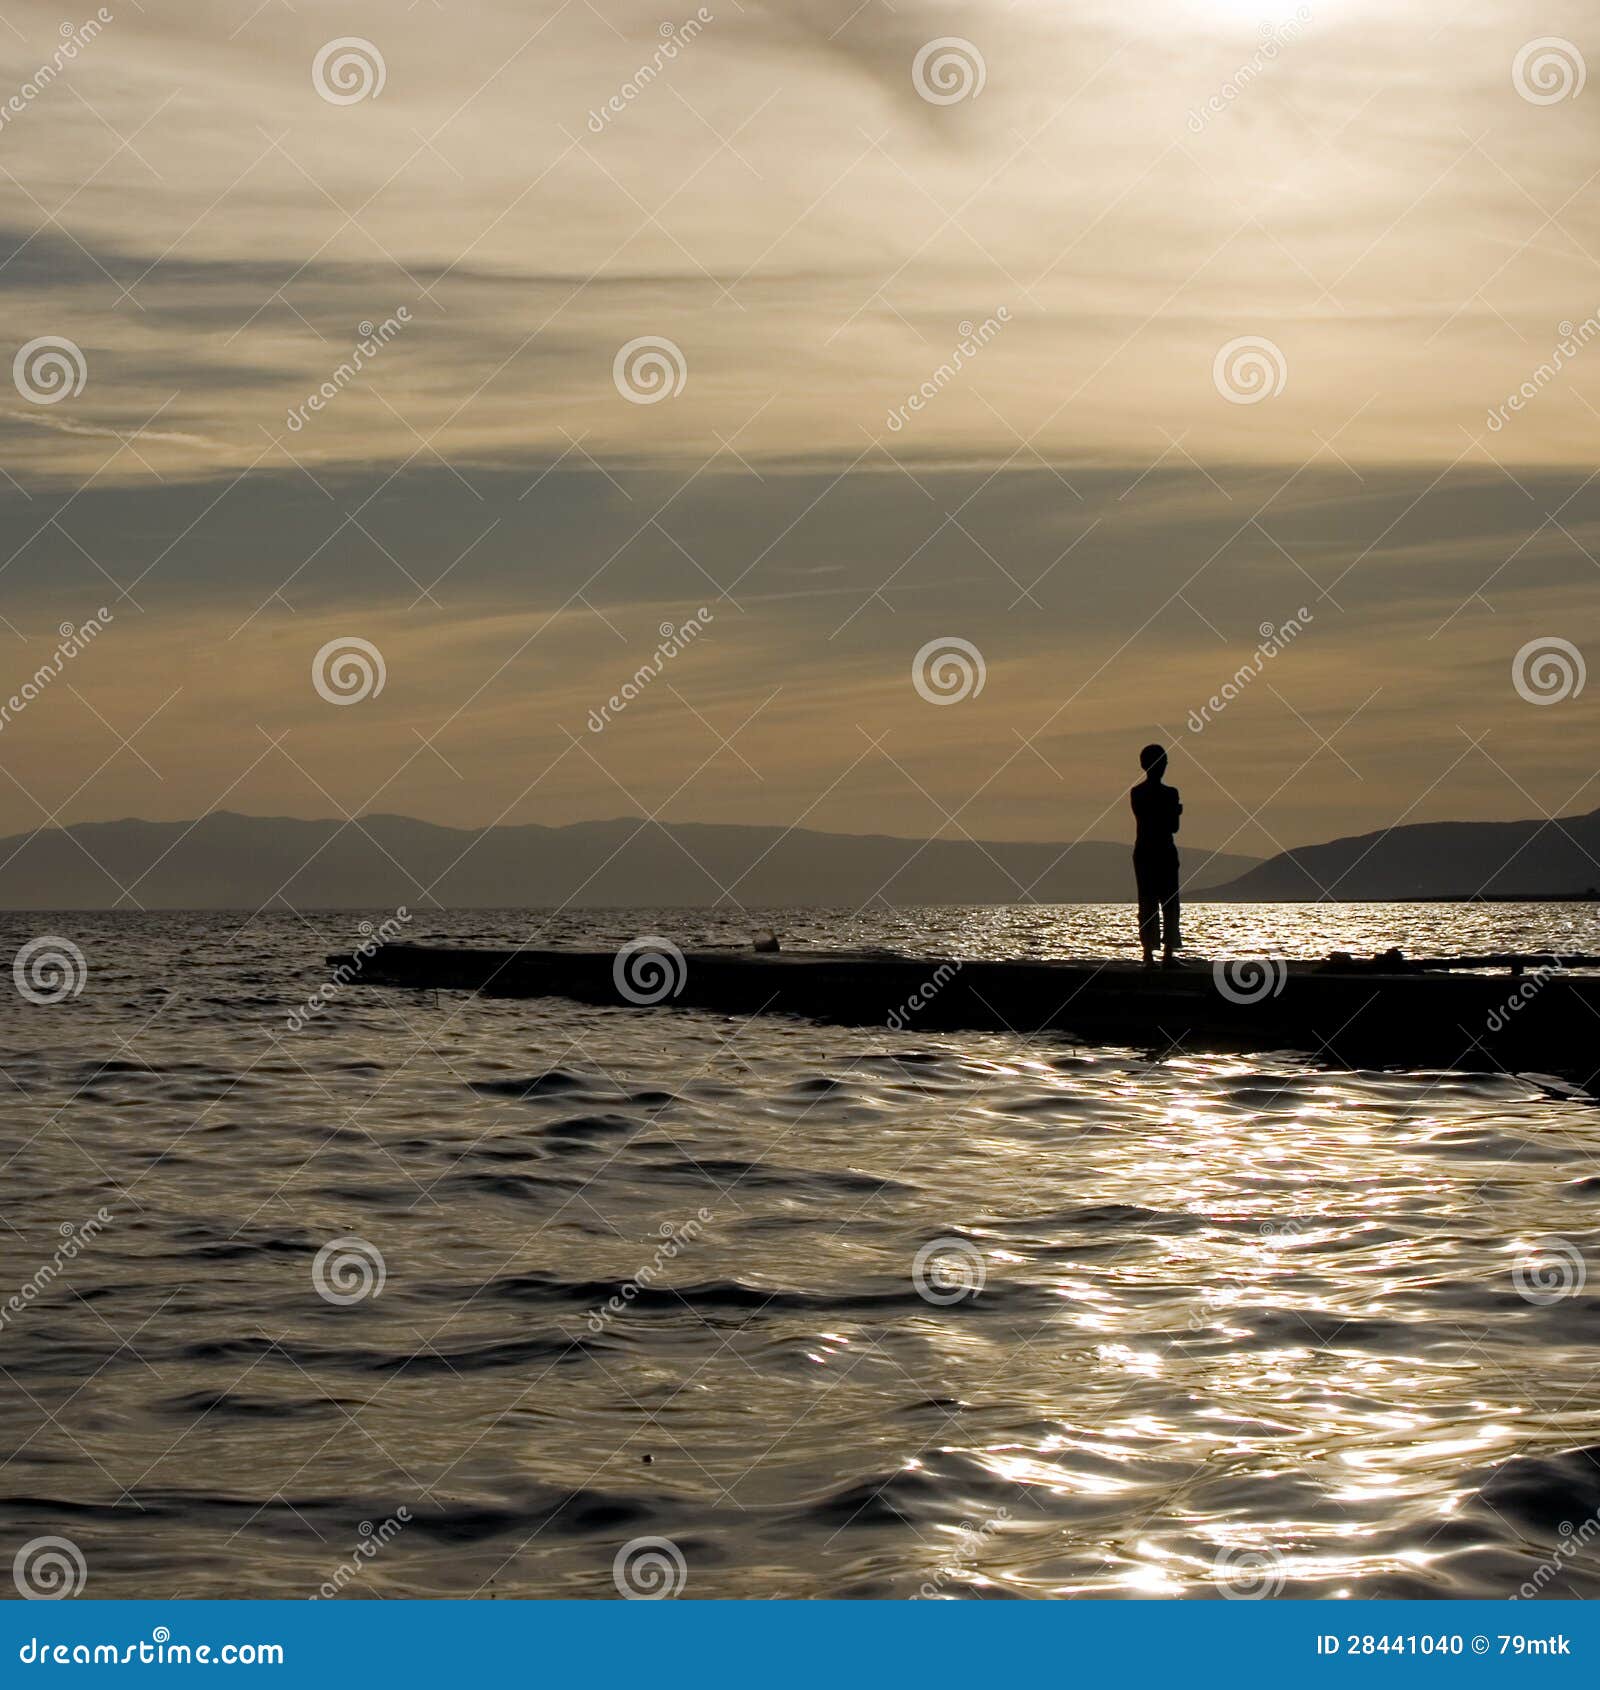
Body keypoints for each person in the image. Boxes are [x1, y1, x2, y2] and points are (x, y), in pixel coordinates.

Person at [1131, 743, 1182, 968]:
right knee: (1168, 902)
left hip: (1145, 852)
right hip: (1161, 851)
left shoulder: (1137, 793)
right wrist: (1175, 811)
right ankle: (1167, 954)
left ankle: (1149, 955)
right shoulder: (1170, 794)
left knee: (1148, 902)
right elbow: (1173, 826)